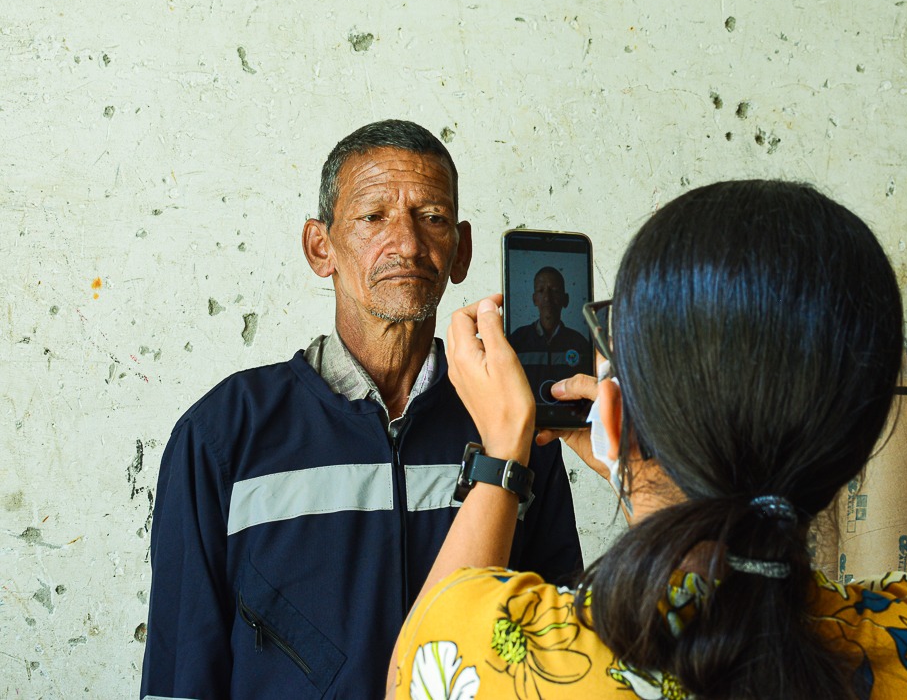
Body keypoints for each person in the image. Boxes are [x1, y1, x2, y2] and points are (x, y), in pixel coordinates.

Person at [389, 180, 907, 699]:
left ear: (615, 417)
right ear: (855, 440)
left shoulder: (510, 656)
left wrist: (503, 453)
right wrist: (643, 471)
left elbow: (420, 662)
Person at [140, 120, 582, 700]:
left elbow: (560, 656)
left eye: (433, 218)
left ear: (461, 251)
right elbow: (179, 675)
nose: (408, 243)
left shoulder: (513, 422)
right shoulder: (223, 434)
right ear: (319, 247)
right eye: (373, 217)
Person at [508, 266, 592, 404]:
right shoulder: (517, 340)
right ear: (534, 299)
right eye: (541, 291)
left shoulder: (580, 344)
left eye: (555, 290)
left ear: (565, 299)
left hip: (569, 417)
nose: (547, 297)